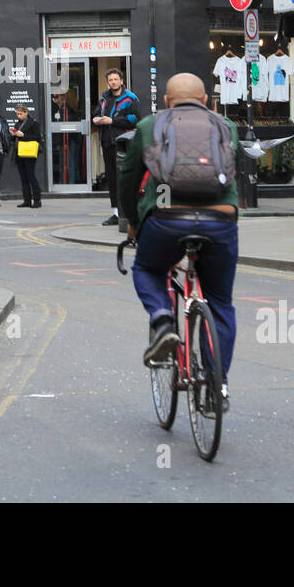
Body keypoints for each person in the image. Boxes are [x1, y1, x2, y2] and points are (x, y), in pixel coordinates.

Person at [119, 73, 238, 411]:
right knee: (220, 303)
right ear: (206, 100)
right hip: (220, 219)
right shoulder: (226, 125)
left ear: (167, 102)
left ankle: (162, 320)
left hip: (166, 215)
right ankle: (216, 387)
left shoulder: (149, 125)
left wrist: (131, 221)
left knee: (146, 269)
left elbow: (128, 176)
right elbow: (234, 169)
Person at [93, 68, 139, 225]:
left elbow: (135, 119)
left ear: (121, 81)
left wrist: (112, 121)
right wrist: (96, 119)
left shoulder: (130, 98)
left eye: (115, 79)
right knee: (112, 179)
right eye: (110, 80)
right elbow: (97, 113)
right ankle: (116, 213)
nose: (113, 82)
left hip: (123, 143)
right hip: (107, 143)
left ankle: (127, 212)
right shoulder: (103, 98)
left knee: (124, 179)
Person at [10, 103, 43, 208]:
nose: (19, 116)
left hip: (29, 153)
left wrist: (23, 135)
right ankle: (27, 200)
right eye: (17, 114)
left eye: (20, 114)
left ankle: (37, 200)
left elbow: (37, 138)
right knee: (23, 177)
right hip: (19, 152)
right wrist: (13, 134)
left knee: (31, 176)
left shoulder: (34, 123)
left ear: (26, 112)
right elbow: (14, 139)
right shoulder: (18, 123)